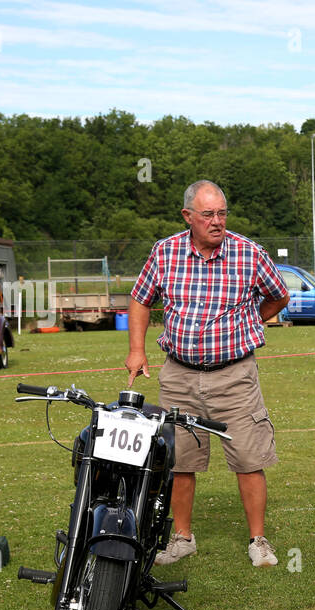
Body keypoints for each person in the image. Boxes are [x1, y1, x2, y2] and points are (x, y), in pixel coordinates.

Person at [125, 180, 290, 568]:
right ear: (188, 217)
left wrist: (248, 322)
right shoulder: (165, 253)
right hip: (179, 375)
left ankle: (258, 541)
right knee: (180, 461)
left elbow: (279, 294)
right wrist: (136, 350)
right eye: (208, 214)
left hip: (235, 376)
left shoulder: (249, 253)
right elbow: (140, 298)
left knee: (249, 458)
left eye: (222, 213)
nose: (217, 222)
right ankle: (182, 538)